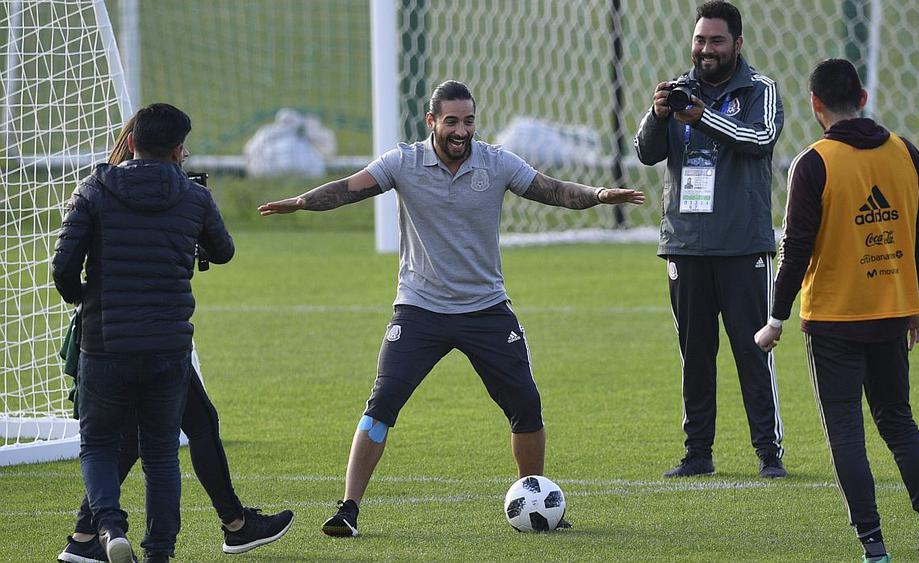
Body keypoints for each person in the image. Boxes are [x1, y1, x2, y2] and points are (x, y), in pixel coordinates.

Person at [259, 80, 644, 536]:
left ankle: (532, 494)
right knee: (381, 404)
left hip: (486, 309)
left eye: (469, 121)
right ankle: (348, 509)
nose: (462, 130)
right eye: (452, 121)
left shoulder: (496, 162)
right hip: (420, 309)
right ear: (432, 122)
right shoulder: (404, 162)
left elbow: (552, 190)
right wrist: (303, 201)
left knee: (526, 402)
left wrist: (598, 195)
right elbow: (350, 188)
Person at [56, 117, 294, 563]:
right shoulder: (193, 195)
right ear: (178, 150)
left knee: (102, 443)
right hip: (167, 346)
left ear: (129, 142)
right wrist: (190, 236)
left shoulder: (94, 188)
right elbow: (223, 251)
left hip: (106, 343)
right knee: (162, 455)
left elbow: (63, 267)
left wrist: (85, 302)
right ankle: (158, 553)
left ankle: (103, 530)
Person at [754, 59, 919, 563]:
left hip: (834, 322)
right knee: (898, 421)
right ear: (863, 97)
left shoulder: (814, 162)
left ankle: (874, 550)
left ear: (814, 104)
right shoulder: (906, 153)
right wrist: (911, 297)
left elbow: (796, 246)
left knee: (846, 430)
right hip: (891, 313)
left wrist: (775, 318)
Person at [633, 0, 786, 478]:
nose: (706, 49)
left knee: (752, 351)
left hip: (743, 245)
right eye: (700, 40)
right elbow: (645, 152)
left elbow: (760, 139)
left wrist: (700, 117)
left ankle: (768, 453)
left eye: (716, 40)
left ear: (737, 44)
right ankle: (697, 453)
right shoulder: (680, 89)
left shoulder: (760, 90)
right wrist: (660, 115)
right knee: (694, 354)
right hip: (685, 245)